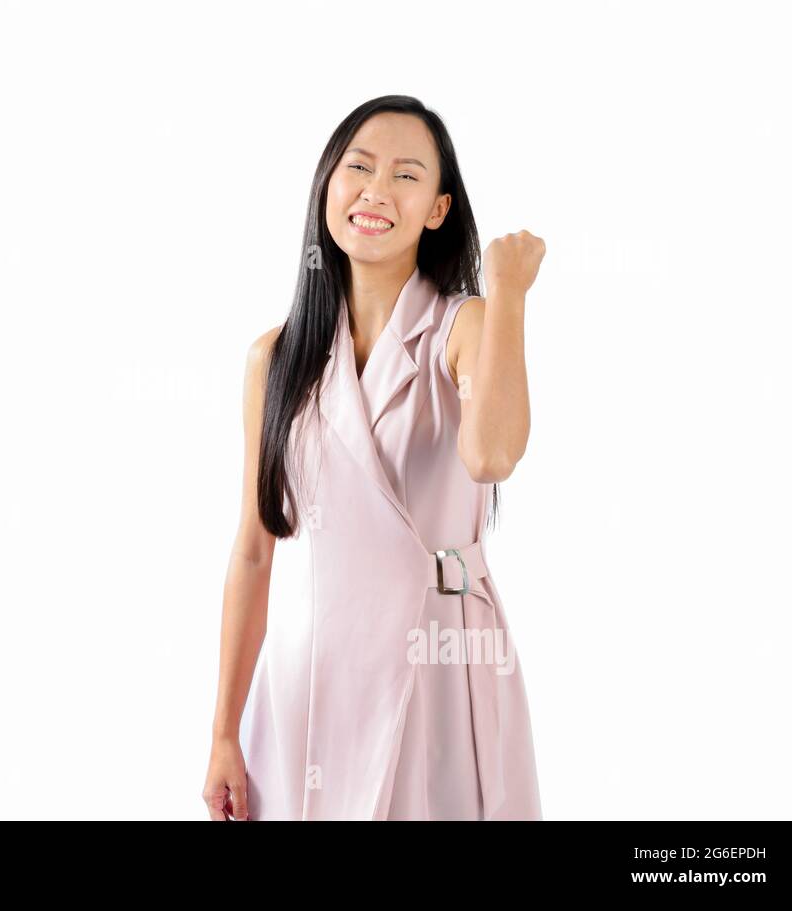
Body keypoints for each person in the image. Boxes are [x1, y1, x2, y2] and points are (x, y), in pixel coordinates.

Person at [202, 96, 545, 821]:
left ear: (437, 208)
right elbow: (255, 552)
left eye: (405, 175)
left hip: (438, 656)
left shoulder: (460, 325)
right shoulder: (276, 358)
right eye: (358, 166)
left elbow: (492, 453)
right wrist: (224, 730)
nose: (375, 190)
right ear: (327, 183)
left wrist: (507, 291)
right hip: (308, 673)